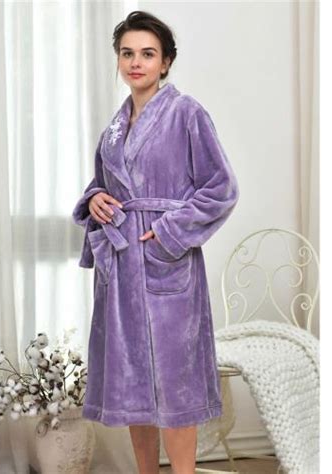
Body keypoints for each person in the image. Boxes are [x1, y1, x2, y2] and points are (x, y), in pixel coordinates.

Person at [72, 10, 240, 474]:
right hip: (122, 267)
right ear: (118, 60)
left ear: (165, 62)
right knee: (135, 387)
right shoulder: (113, 129)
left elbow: (221, 188)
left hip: (165, 262)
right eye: (127, 53)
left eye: (147, 54)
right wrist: (95, 199)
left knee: (175, 385)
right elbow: (102, 184)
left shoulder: (187, 114)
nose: (136, 62)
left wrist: (168, 233)